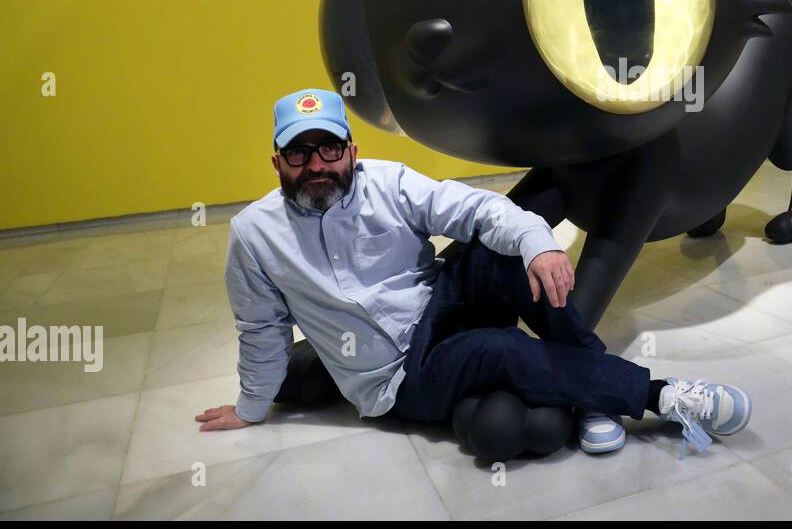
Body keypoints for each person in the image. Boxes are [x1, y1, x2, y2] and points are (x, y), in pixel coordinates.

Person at [194, 87, 752, 459]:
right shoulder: (254, 234)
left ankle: (594, 393)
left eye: (329, 149)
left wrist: (539, 246)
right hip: (399, 376)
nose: (317, 165)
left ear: (352, 151)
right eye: (299, 153)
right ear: (277, 162)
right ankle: (662, 395)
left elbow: (477, 210)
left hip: (440, 304)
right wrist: (249, 409)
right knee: (496, 349)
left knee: (503, 251)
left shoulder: (387, 182)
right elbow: (261, 330)